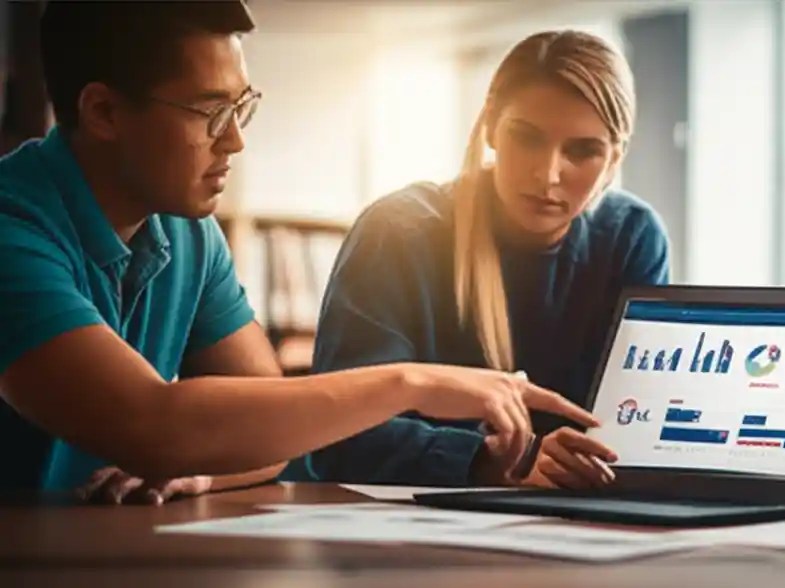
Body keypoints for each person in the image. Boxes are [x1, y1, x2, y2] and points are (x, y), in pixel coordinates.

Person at [0, 1, 593, 505]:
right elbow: (152, 424)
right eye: (211, 112)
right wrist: (412, 382)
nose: (235, 139)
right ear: (103, 112)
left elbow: (278, 429)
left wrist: (200, 467)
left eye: (241, 106)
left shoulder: (187, 232)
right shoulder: (11, 228)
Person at [290, 30, 670, 489]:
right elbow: (339, 432)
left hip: (573, 518)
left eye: (583, 151)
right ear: (491, 124)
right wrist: (490, 460)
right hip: (393, 523)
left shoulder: (632, 236)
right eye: (527, 138)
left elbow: (635, 421)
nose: (548, 174)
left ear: (615, 157)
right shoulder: (399, 232)